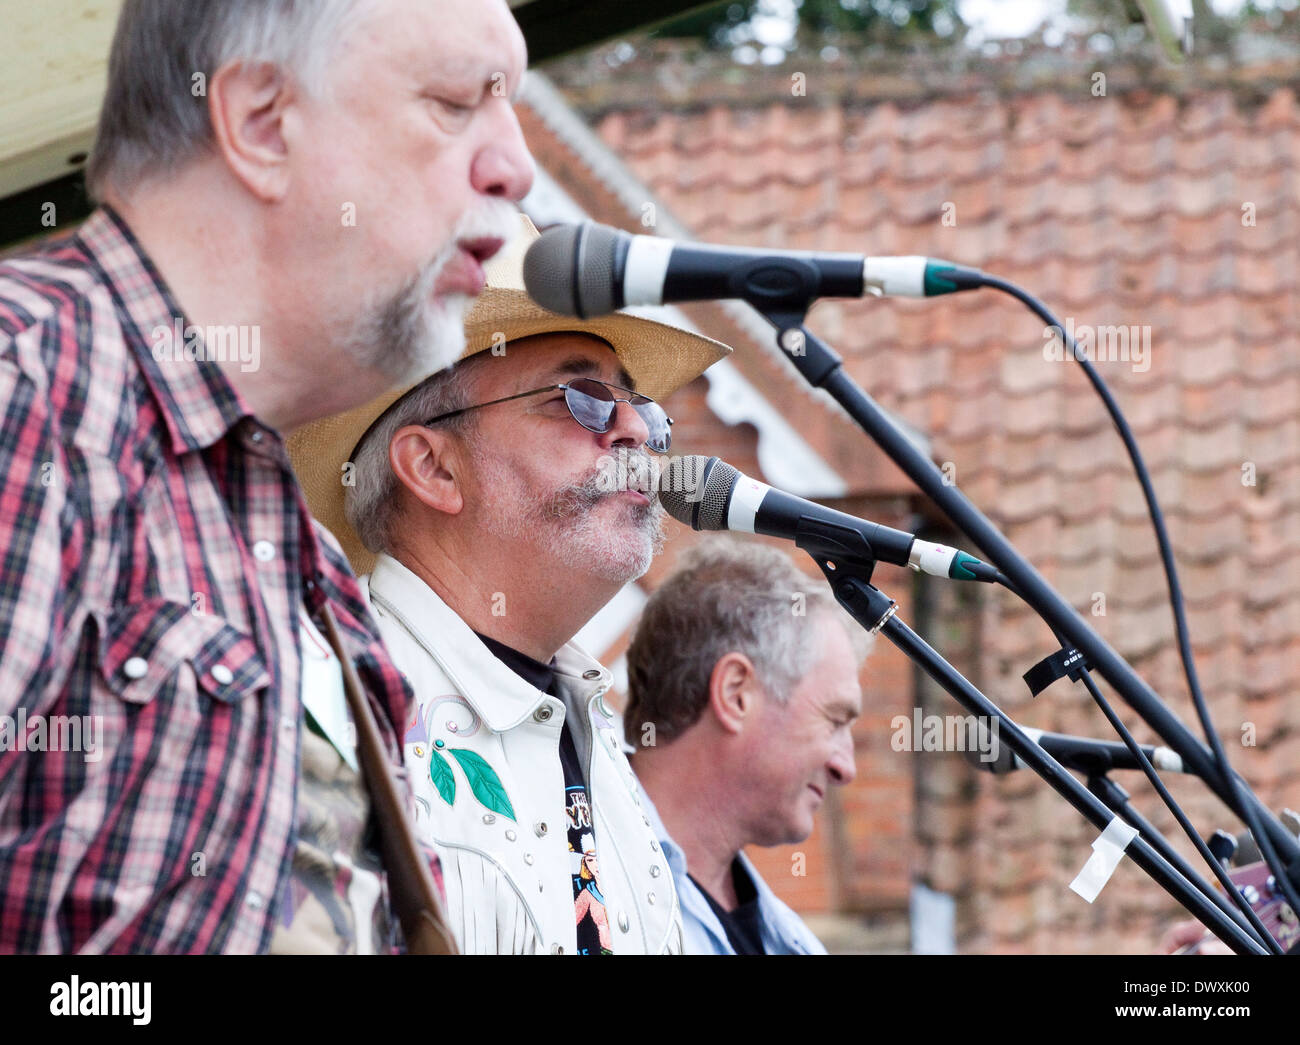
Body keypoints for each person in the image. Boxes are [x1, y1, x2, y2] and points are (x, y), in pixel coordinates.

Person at [0, 0, 532, 953]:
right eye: (456, 102)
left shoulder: (305, 561)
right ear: (259, 123)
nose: (515, 166)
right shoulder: (26, 386)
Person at [288, 217, 732, 954]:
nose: (632, 429)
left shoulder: (593, 723)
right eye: (579, 399)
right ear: (433, 467)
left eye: (642, 410)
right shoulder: (324, 701)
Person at [623, 537, 868, 954]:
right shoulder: (576, 886)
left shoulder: (794, 941)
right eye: (834, 719)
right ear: (736, 694)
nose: (846, 768)